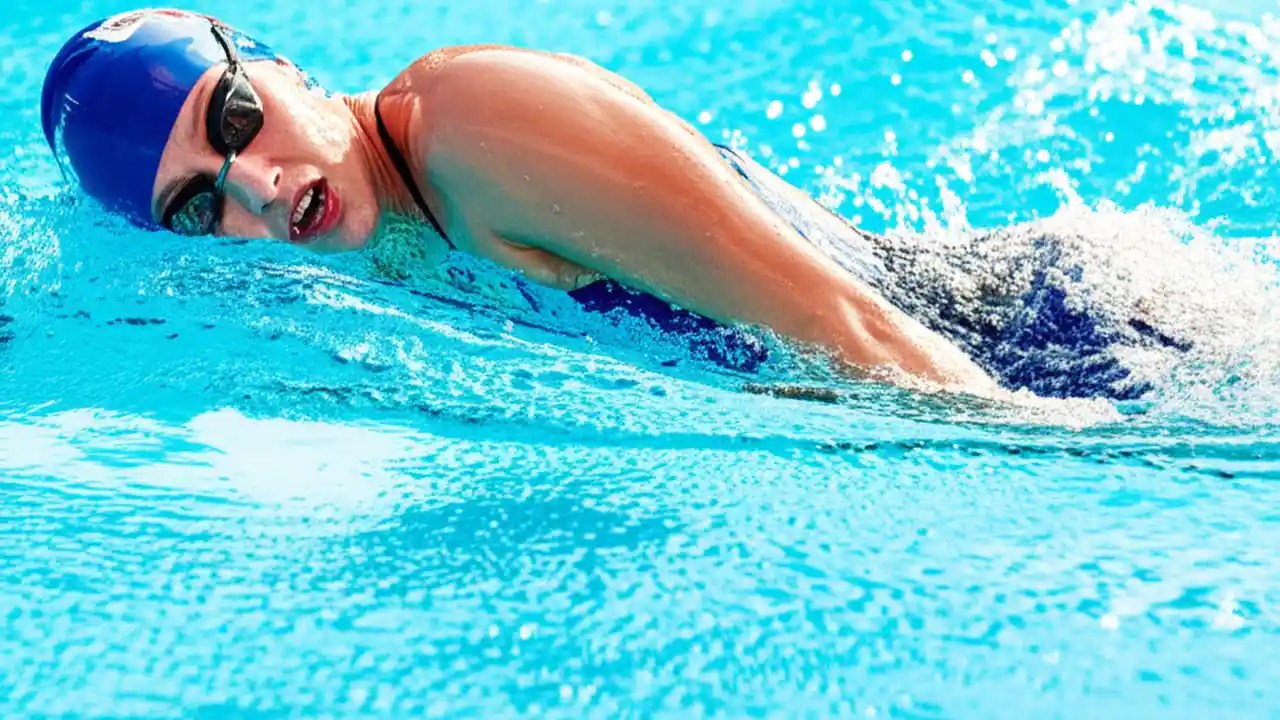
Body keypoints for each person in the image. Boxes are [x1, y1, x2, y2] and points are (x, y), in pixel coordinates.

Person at [40, 9, 1178, 402]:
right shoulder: (355, 250)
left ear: (277, 66)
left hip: (1054, 347)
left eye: (234, 117)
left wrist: (1050, 465)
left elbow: (849, 323)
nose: (255, 184)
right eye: (198, 207)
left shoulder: (477, 127)